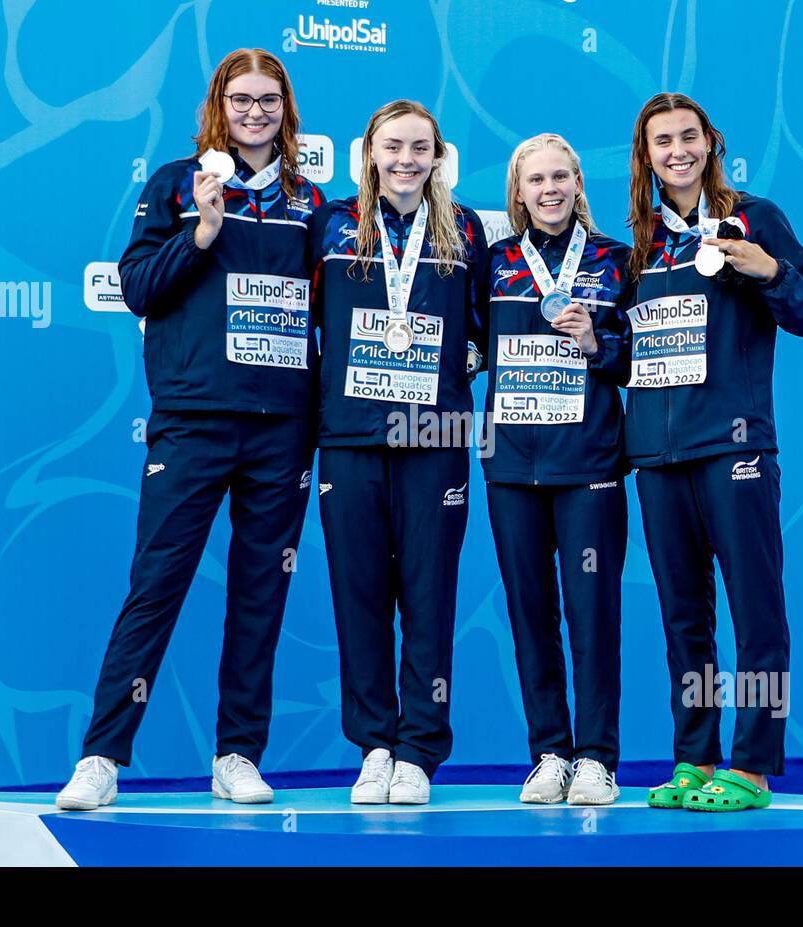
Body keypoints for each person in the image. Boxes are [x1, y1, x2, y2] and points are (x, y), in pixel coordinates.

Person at [56, 49, 324, 810]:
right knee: (156, 586)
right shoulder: (178, 183)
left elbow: (331, 309)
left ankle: (238, 753)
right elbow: (137, 288)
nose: (255, 113)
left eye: (269, 100)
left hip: (281, 429)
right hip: (194, 421)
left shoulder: (311, 198)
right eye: (242, 99)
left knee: (259, 597)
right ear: (218, 104)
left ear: (287, 109)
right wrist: (199, 233)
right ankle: (103, 756)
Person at [622, 92, 803, 812]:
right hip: (657, 457)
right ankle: (695, 757)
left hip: (736, 448)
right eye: (660, 143)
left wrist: (768, 270)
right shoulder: (639, 242)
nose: (676, 152)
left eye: (687, 137)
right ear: (644, 157)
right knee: (684, 616)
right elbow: (632, 353)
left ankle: (753, 764)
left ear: (710, 141)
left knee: (756, 609)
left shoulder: (755, 217)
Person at [306, 99, 489, 805]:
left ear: (437, 156)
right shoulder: (332, 224)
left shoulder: (466, 227)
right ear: (370, 153)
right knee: (359, 596)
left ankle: (419, 748)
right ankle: (375, 745)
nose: (407, 160)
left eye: (421, 148)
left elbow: (483, 326)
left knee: (428, 593)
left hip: (433, 438)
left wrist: (460, 359)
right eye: (393, 146)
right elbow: (305, 318)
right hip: (349, 436)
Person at [481, 133, 631, 805]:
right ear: (517, 191)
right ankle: (549, 752)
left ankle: (597, 757)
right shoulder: (492, 262)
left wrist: (596, 341)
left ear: (578, 183)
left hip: (589, 463)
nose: (549, 190)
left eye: (560, 177)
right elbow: (467, 345)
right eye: (535, 179)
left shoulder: (614, 260)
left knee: (593, 611)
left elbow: (636, 362)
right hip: (511, 466)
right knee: (530, 611)